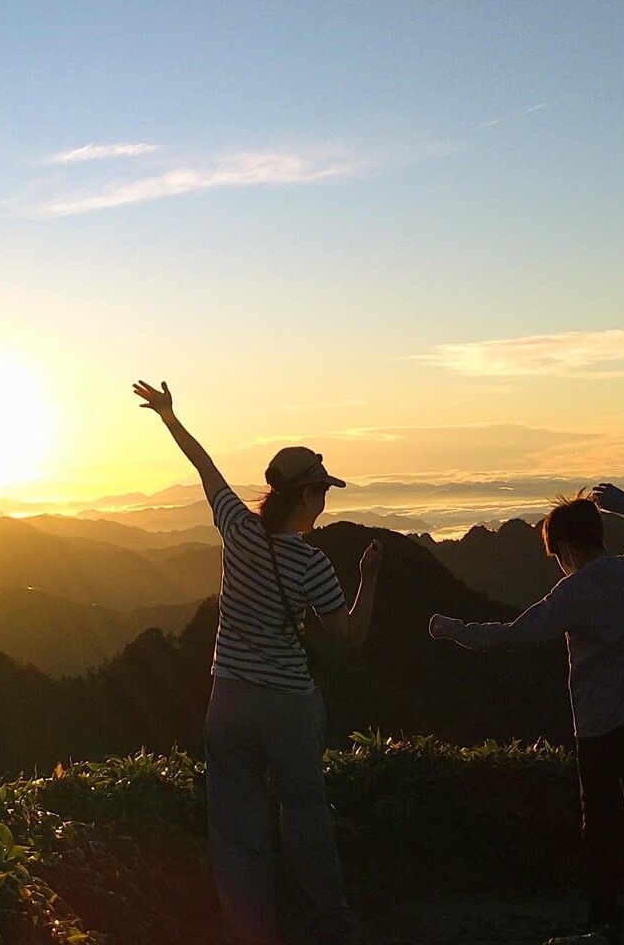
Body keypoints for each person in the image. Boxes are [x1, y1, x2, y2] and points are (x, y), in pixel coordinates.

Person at [133, 379, 382, 945]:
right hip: (288, 705)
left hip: (228, 700)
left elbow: (206, 467)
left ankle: (252, 930)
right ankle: (329, 919)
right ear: (305, 495)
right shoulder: (314, 565)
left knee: (236, 827)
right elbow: (346, 640)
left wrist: (170, 416)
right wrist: (370, 580)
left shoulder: (237, 528)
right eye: (321, 492)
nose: (324, 501)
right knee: (306, 815)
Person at [428, 484, 624, 944]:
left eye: (556, 555)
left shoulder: (572, 594)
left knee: (601, 828)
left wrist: (452, 629)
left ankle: (605, 922)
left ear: (565, 548)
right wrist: (622, 502)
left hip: (598, 729)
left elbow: (511, 636)